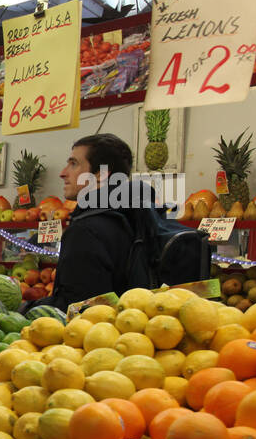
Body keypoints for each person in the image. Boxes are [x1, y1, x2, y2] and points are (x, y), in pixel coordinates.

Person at [35, 133, 166, 311]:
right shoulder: (139, 216)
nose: (63, 173)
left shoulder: (86, 231)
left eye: (73, 164)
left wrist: (27, 309)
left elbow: (77, 306)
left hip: (98, 334)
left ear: (100, 174)